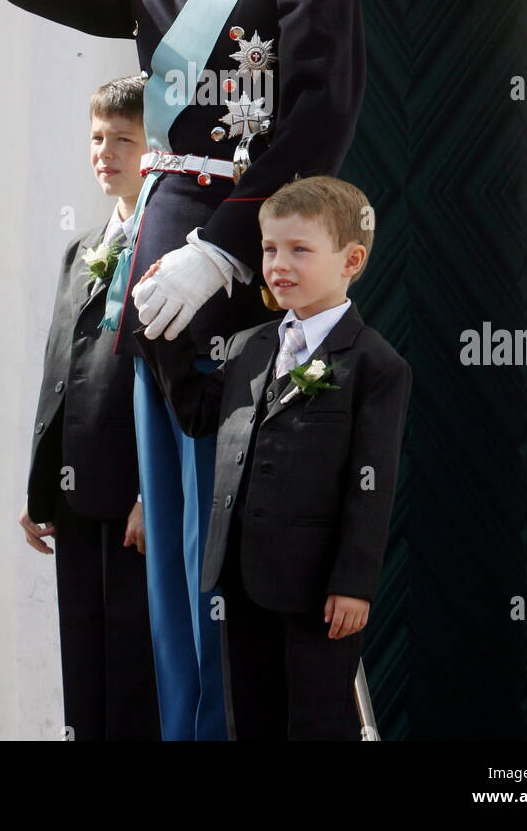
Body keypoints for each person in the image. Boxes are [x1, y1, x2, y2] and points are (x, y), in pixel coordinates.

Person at [0, 0, 366, 740]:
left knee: (228, 555)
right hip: (150, 289)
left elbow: (318, 117)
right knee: (165, 574)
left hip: (238, 285)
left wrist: (221, 249)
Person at [135, 176, 412, 741]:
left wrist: (354, 583)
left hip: (318, 589)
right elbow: (198, 416)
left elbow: (372, 484)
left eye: (300, 250)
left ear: (351, 260)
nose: (279, 263)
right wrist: (160, 331)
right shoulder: (249, 347)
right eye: (268, 249)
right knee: (253, 716)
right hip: (242, 576)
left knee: (316, 720)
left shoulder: (375, 365)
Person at [18, 75, 160, 742]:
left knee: (136, 666)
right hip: (77, 493)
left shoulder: (170, 250)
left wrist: (152, 496)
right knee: (84, 653)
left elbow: (166, 379)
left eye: (122, 140)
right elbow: (62, 374)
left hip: (136, 499)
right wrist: (43, 484)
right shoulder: (81, 251)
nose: (105, 152)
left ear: (153, 149)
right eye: (97, 138)